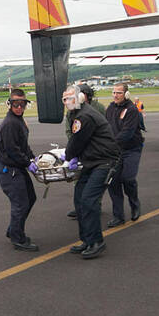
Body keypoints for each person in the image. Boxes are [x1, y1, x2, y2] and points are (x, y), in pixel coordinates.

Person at [63, 82, 119, 259]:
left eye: (70, 98)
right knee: (79, 199)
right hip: (91, 162)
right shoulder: (76, 114)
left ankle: (96, 242)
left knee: (88, 200)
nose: (67, 102)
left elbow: (76, 142)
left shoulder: (84, 116)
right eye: (65, 99)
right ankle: (87, 240)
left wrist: (67, 156)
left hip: (104, 162)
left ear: (79, 98)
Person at [0, 89, 39, 252]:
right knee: (20, 204)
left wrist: (33, 158)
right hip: (9, 170)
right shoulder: (10, 123)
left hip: (18, 167)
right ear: (10, 104)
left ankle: (14, 230)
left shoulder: (19, 120)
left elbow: (23, 145)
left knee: (31, 198)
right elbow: (13, 150)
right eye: (16, 104)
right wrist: (28, 163)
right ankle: (17, 238)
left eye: (22, 104)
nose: (19, 107)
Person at [105, 82, 145, 226]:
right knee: (113, 182)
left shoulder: (132, 110)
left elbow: (127, 133)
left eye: (119, 93)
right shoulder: (109, 109)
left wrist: (110, 144)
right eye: (114, 92)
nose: (115, 95)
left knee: (128, 178)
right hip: (115, 151)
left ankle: (135, 204)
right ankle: (118, 216)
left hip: (131, 149)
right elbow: (105, 128)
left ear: (126, 94)